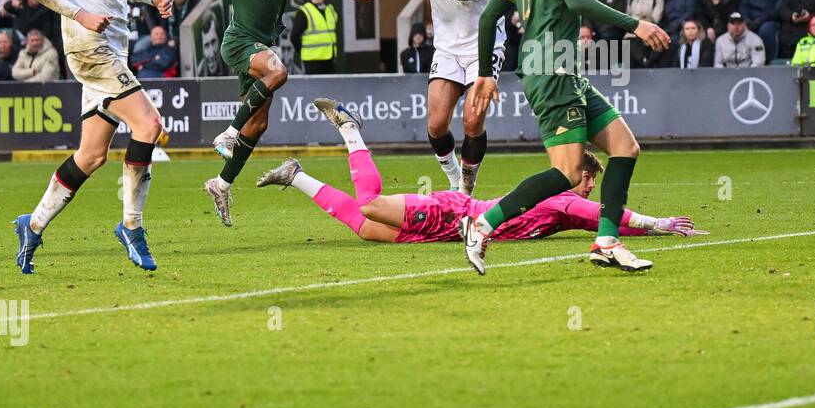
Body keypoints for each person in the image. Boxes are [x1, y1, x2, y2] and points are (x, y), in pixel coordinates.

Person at [465, 0, 670, 273]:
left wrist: (483, 75)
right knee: (568, 173)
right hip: (550, 71)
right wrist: (636, 24)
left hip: (561, 70)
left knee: (625, 147)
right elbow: (577, 1)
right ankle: (482, 224)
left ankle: (607, 242)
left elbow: (488, 17)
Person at [255, 98, 705, 244]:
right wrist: (659, 224)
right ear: (584, 177)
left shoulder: (566, 212)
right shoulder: (566, 196)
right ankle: (352, 131)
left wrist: (645, 228)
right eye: (592, 181)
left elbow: (605, 224)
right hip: (455, 214)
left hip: (453, 232)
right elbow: (609, 216)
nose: (593, 190)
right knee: (371, 205)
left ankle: (295, 175)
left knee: (365, 228)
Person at [13, 0, 173, 274]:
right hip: (88, 48)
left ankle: (32, 225)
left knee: (91, 155)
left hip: (114, 50)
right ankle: (131, 226)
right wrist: (79, 14)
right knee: (148, 125)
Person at [176, 0, 327, 227]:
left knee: (258, 124)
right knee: (278, 72)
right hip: (240, 41)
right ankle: (228, 132)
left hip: (262, 44)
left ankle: (221, 183)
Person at [346, 0, 516, 195]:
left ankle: (466, 187)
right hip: (448, 50)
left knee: (473, 121)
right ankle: (453, 178)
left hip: (486, 48)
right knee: (437, 125)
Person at [291, 0, 339, 74]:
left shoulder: (330, 9)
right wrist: (304, 51)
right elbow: (294, 36)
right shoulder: (304, 11)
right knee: (314, 87)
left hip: (329, 59)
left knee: (331, 86)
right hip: (312, 61)